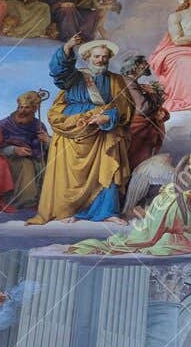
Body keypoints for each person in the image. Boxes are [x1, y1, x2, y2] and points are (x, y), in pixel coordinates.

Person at [28, 39, 134, 225]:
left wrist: (108, 117)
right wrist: (68, 48)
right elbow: (58, 73)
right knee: (70, 175)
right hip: (72, 129)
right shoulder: (74, 77)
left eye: (104, 57)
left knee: (108, 168)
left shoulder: (115, 80)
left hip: (102, 132)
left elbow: (124, 106)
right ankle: (70, 210)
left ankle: (107, 211)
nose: (100, 60)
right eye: (96, 56)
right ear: (86, 58)